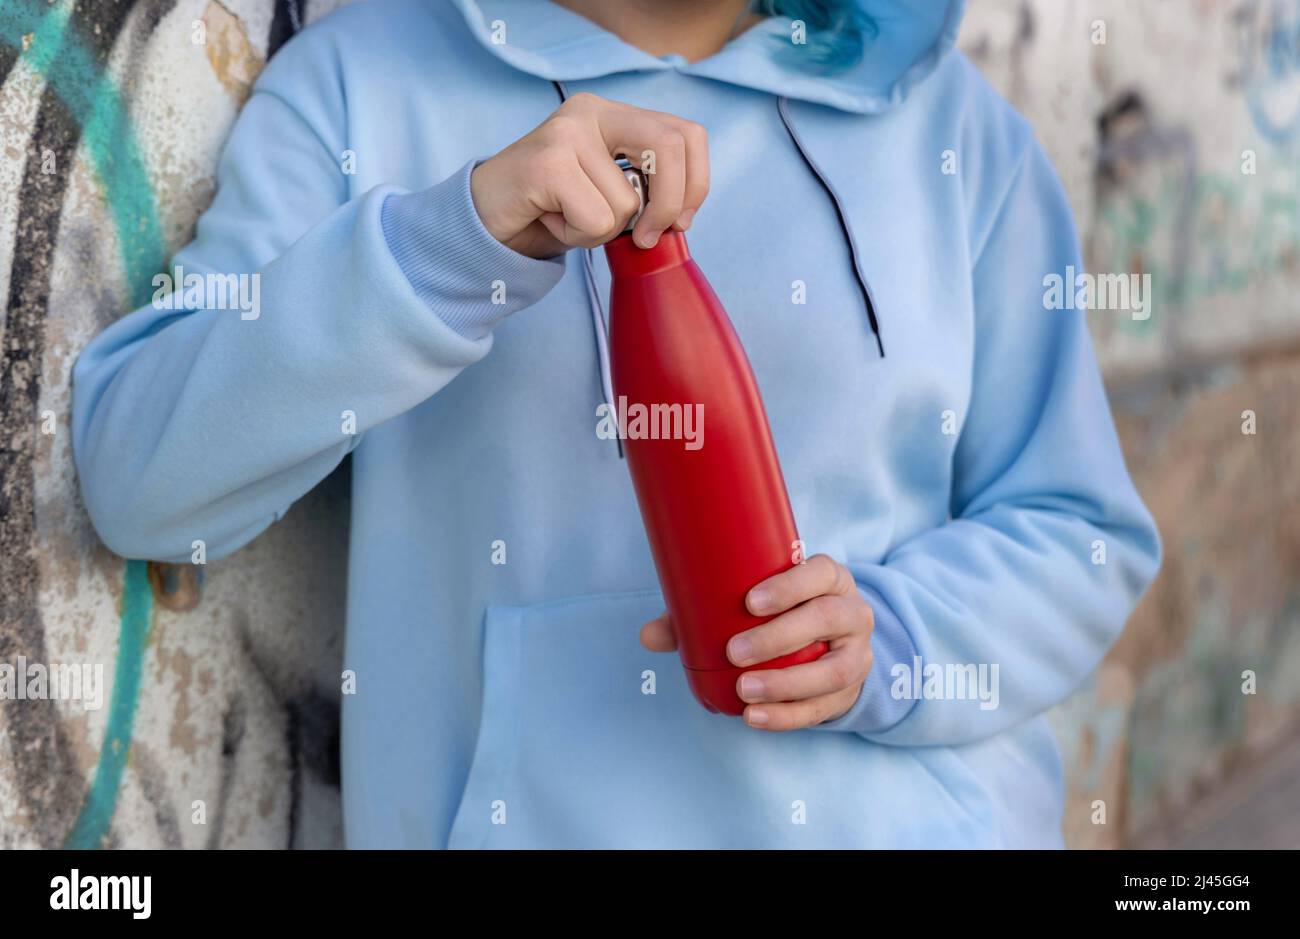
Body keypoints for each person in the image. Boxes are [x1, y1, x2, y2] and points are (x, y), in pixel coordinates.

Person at [72, 0, 1161, 848]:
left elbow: (1077, 531)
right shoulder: (358, 83)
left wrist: (896, 642)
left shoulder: (961, 132)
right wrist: (450, 242)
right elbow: (143, 476)